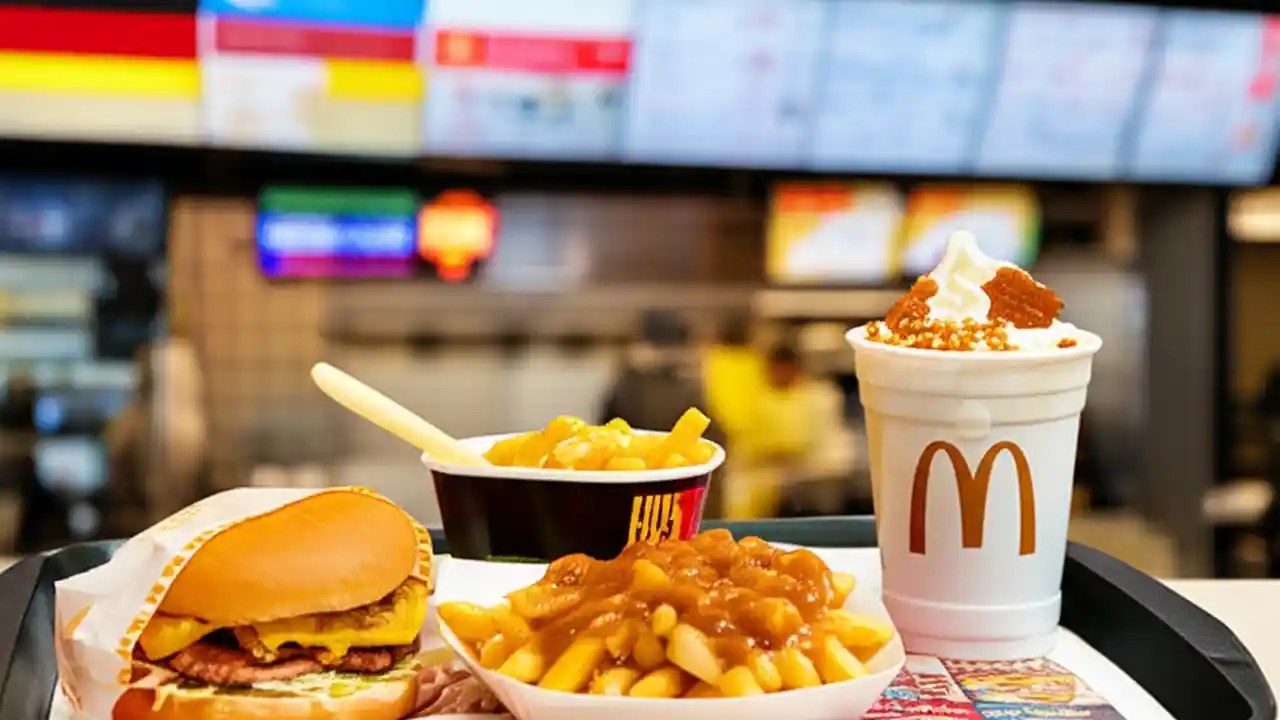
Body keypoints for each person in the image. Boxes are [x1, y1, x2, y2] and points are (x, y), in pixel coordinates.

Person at [728, 343, 850, 519]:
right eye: (775, 369)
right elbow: (744, 443)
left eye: (785, 369)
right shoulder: (759, 400)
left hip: (814, 467)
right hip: (768, 469)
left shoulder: (821, 397)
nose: (780, 374)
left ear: (797, 368)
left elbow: (809, 440)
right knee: (739, 487)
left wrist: (783, 451)